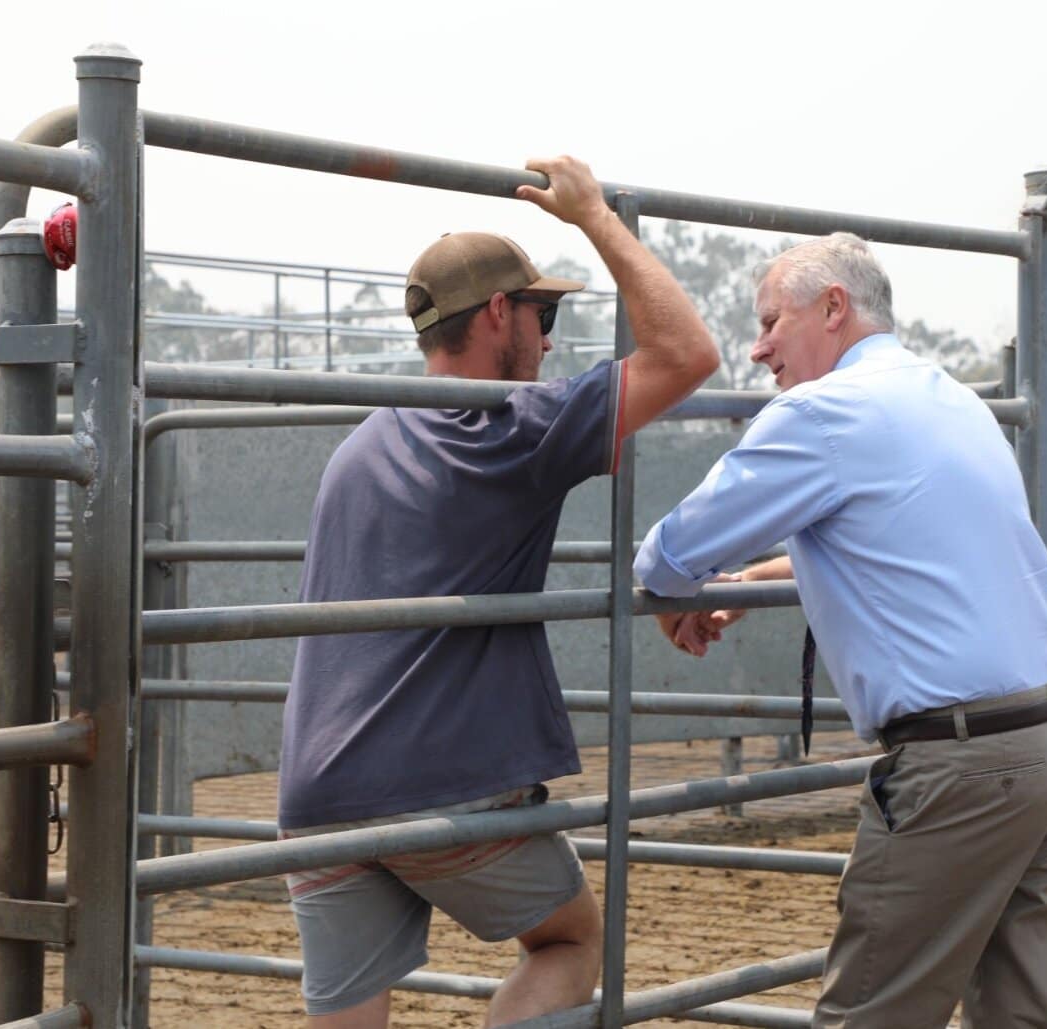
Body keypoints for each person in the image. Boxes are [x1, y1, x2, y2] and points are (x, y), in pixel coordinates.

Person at [276, 156, 719, 1028]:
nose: (549, 340)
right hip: (441, 779)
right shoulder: (515, 426)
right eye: (542, 314)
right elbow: (687, 353)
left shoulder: (364, 440)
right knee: (570, 943)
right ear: (497, 315)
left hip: (317, 789)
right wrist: (594, 215)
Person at [634, 232, 1047, 1028]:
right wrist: (760, 577)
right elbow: (913, 543)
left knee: (871, 1013)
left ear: (833, 307)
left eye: (770, 320)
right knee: (1023, 1014)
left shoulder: (823, 412)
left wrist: (682, 586)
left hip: (963, 766)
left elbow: (670, 552)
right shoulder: (950, 398)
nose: (757, 348)